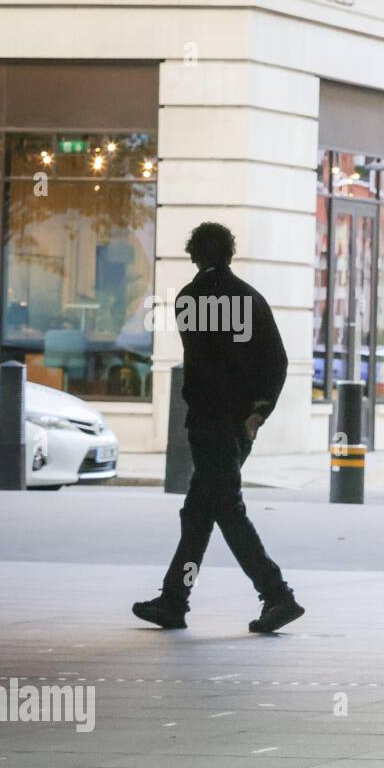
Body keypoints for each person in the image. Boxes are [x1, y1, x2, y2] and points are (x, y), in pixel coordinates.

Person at [132, 222, 303, 633]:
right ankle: (175, 599)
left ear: (195, 254)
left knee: (224, 509)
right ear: (229, 252)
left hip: (210, 422)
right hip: (240, 425)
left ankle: (277, 594)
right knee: (199, 513)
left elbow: (204, 366)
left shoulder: (190, 299)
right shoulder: (252, 299)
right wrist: (258, 412)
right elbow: (276, 360)